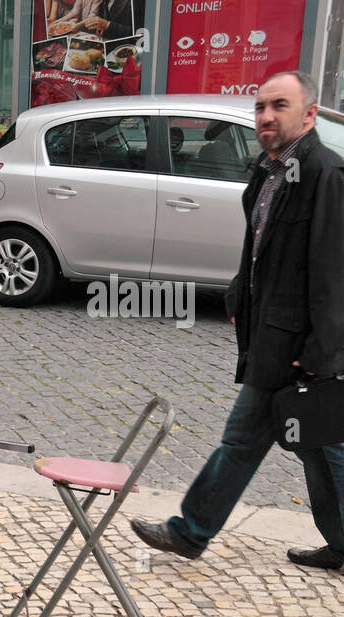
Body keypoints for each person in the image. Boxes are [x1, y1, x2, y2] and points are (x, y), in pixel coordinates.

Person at [131, 71, 344, 572]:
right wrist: (237, 294)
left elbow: (334, 272)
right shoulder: (267, 171)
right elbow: (260, 253)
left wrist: (321, 356)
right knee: (319, 450)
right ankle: (338, 545)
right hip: (273, 340)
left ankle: (189, 533)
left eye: (280, 106)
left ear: (309, 114)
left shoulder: (324, 175)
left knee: (265, 443)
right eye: (261, 106)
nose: (266, 116)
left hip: (300, 350)